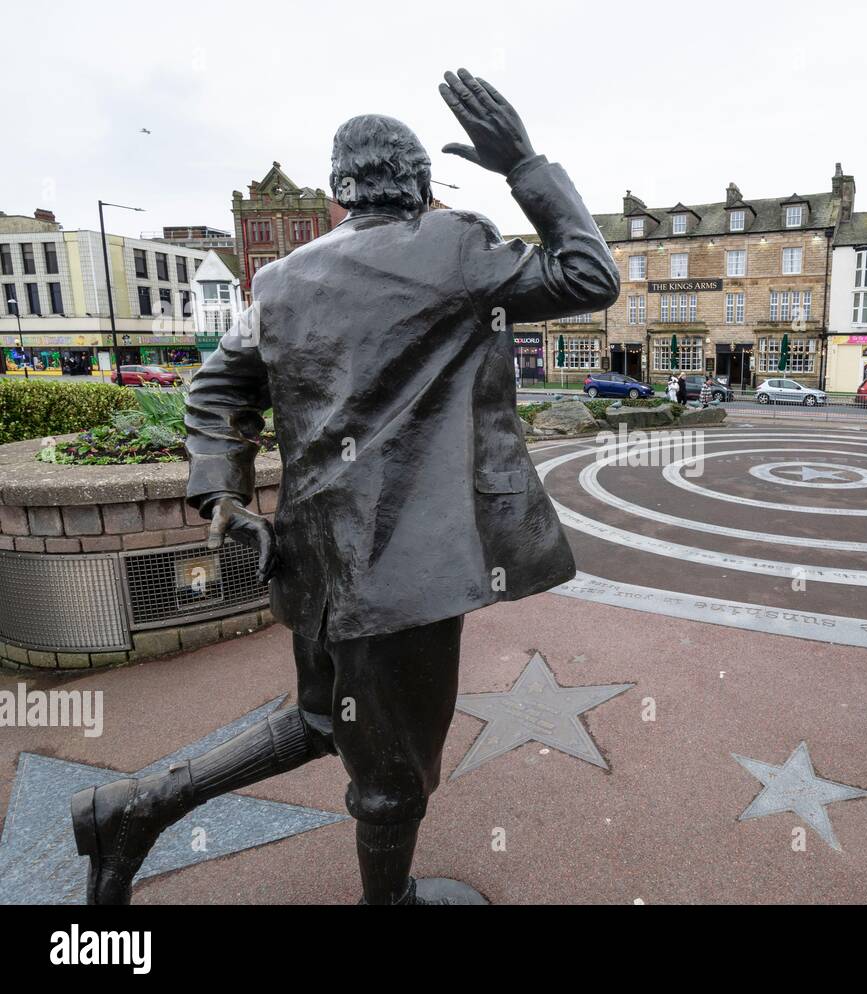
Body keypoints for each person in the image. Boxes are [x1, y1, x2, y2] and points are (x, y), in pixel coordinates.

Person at [68, 70, 620, 907]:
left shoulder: (280, 280)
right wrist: (524, 163)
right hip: (404, 568)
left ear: (339, 190)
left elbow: (215, 391)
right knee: (394, 777)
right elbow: (589, 276)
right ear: (422, 182)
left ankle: (133, 808)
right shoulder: (455, 246)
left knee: (330, 721)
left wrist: (222, 497)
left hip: (315, 558)